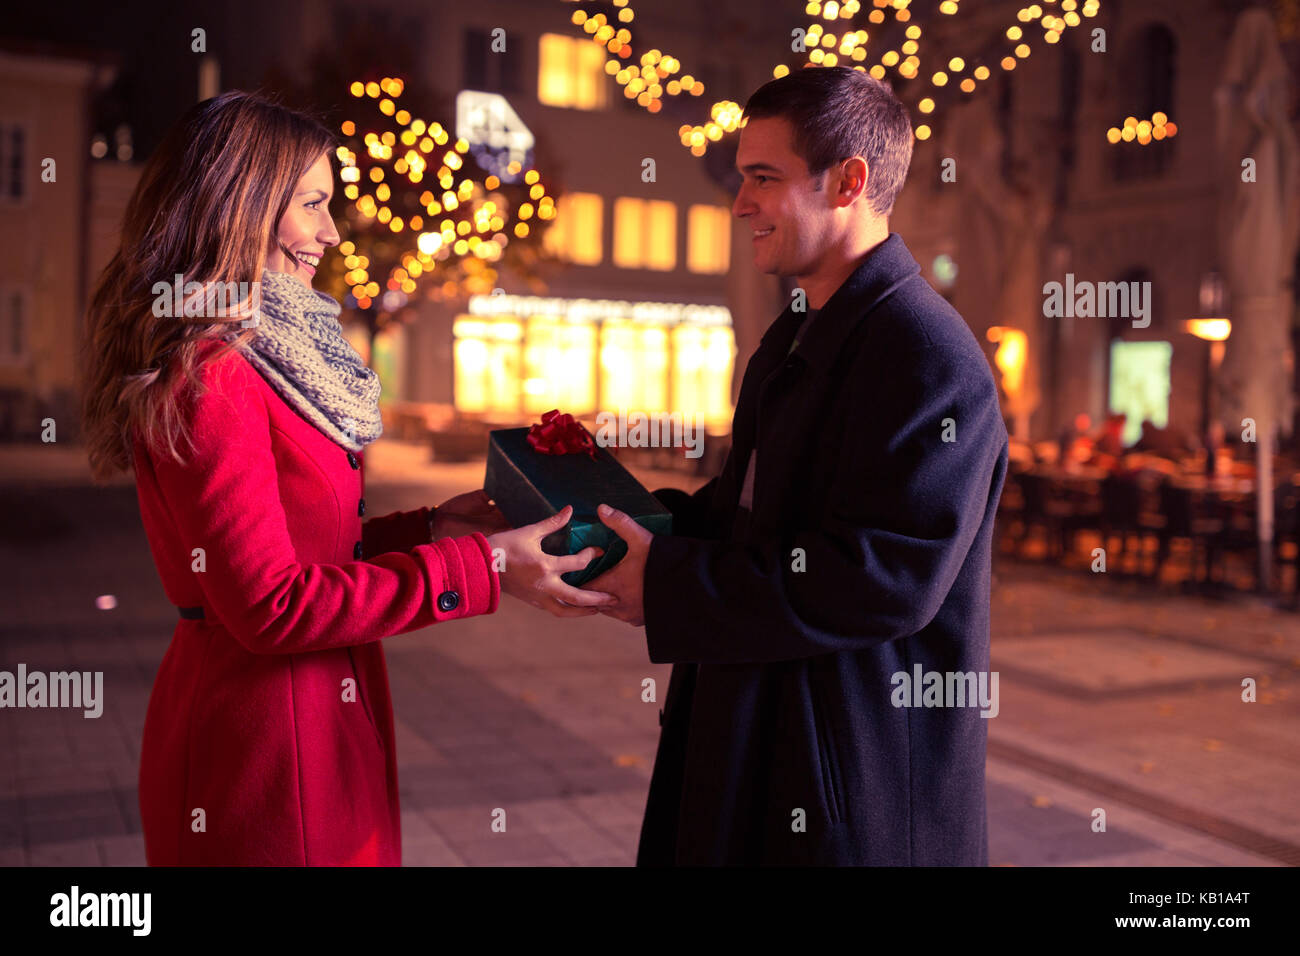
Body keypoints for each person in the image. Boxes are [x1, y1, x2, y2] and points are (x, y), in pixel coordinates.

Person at [79, 92, 614, 866]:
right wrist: (486, 568)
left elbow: (297, 547)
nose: (331, 233)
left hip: (312, 714)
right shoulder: (215, 370)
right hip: (268, 748)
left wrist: (432, 530)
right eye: (313, 204)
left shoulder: (260, 352)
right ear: (242, 206)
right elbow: (267, 605)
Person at [582, 67, 1009, 865]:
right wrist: (601, 521)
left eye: (763, 178)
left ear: (848, 182)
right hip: (758, 745)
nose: (740, 203)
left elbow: (884, 577)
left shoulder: (926, 354)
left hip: (848, 787)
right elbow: (750, 514)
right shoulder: (798, 335)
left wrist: (668, 582)